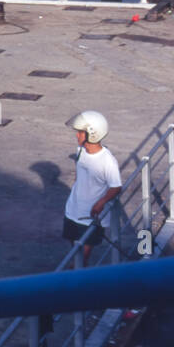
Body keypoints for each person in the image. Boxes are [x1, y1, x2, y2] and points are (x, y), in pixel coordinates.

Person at [63, 111, 122, 265]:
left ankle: (79, 279)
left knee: (82, 256)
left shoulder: (107, 161)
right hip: (73, 208)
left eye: (80, 133)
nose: (77, 136)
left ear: (92, 134)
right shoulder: (80, 151)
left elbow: (116, 187)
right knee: (73, 246)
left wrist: (101, 202)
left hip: (89, 215)